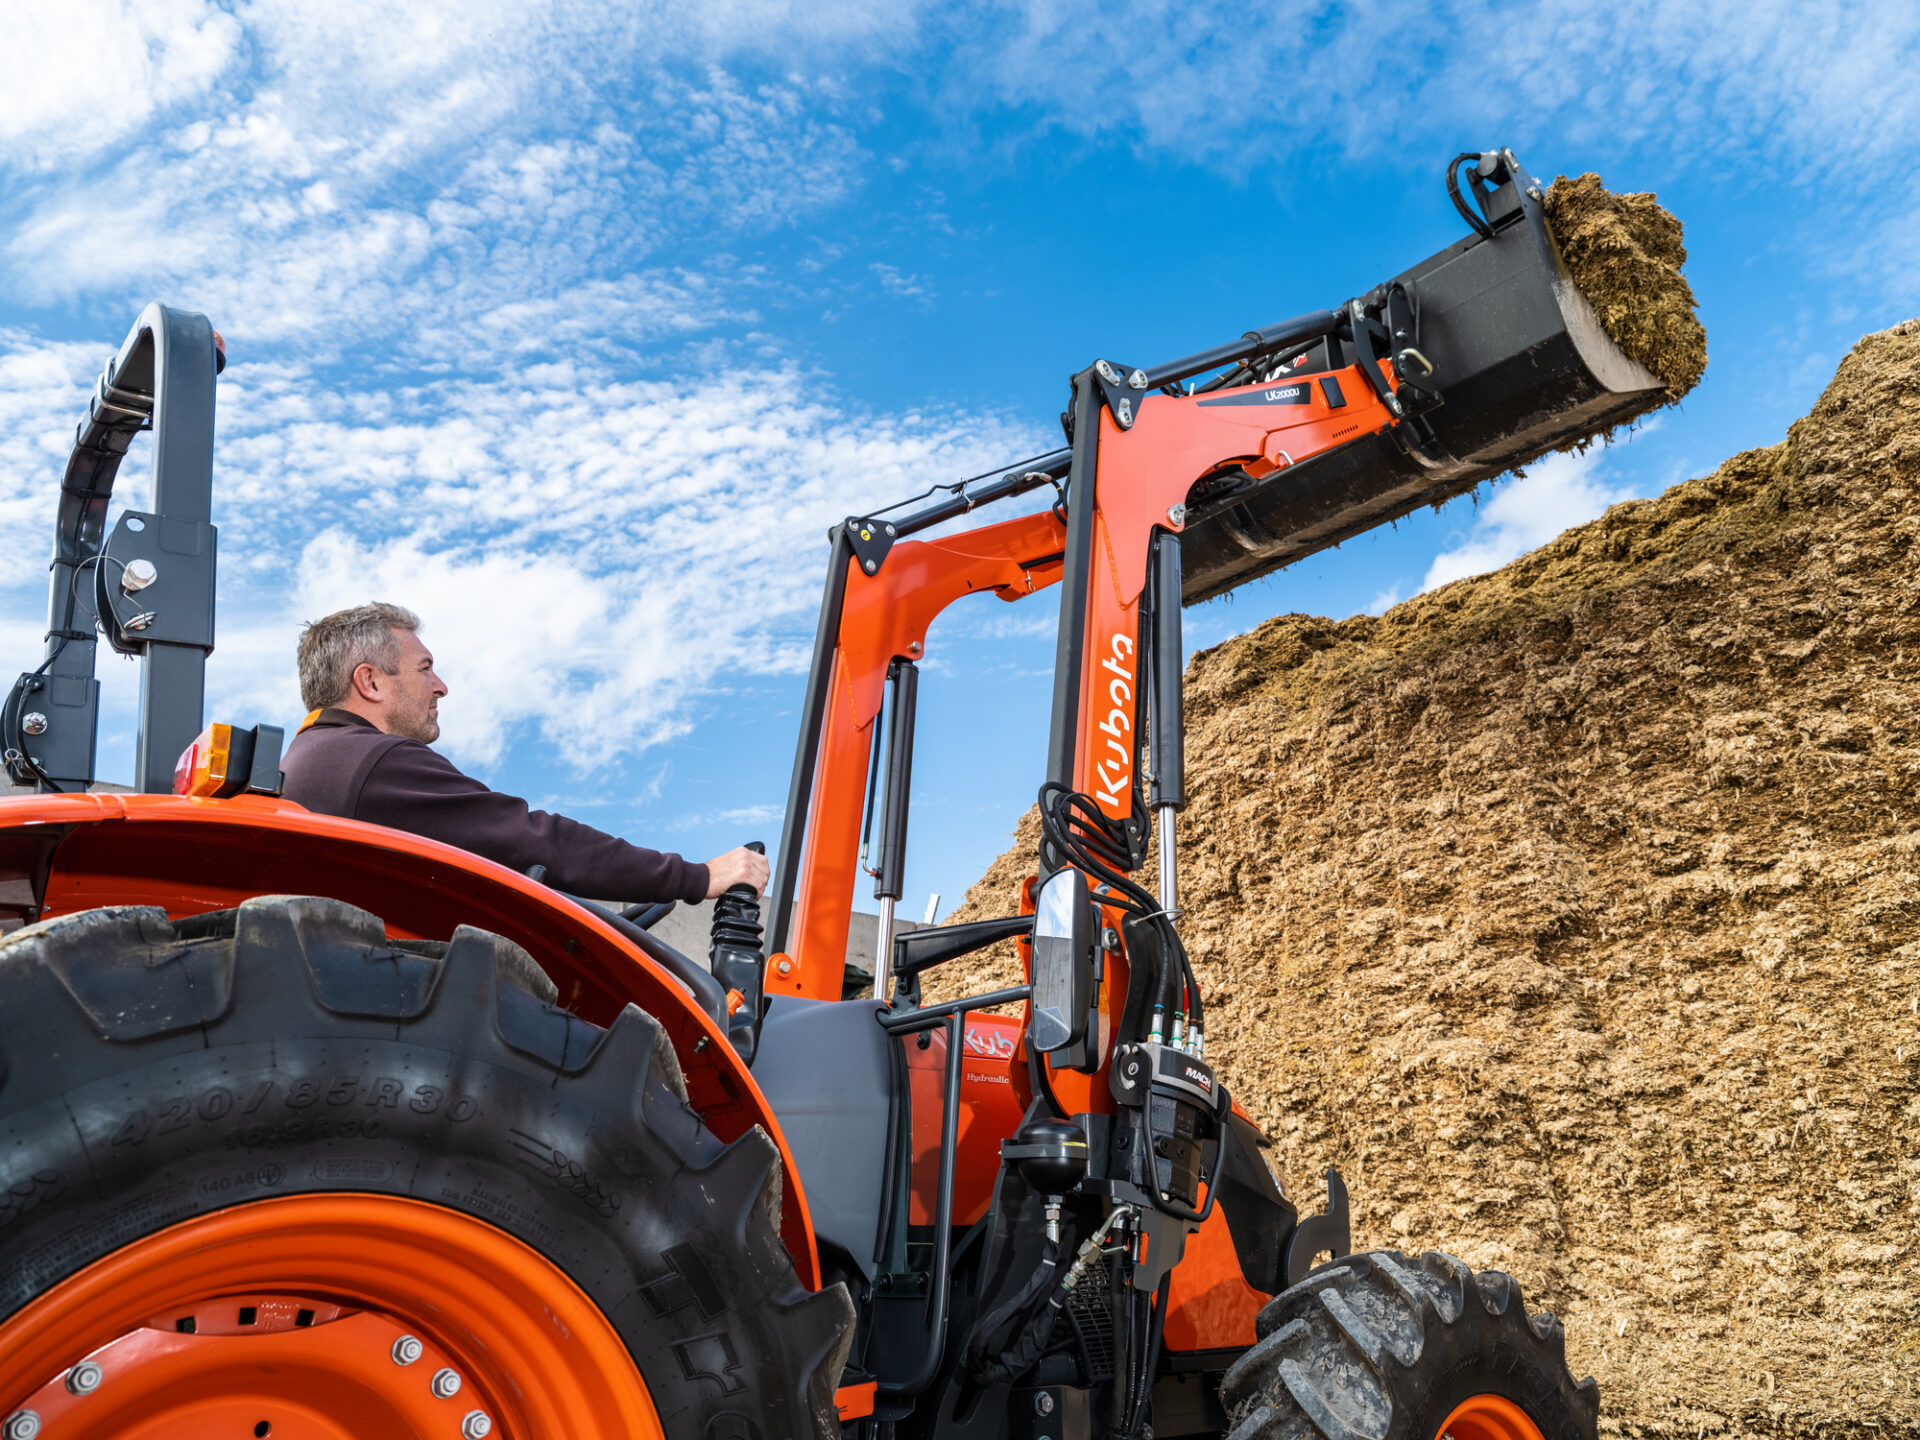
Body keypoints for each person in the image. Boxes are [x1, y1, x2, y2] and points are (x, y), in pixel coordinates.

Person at [280, 602, 766, 905]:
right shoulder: (374, 763)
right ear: (369, 682)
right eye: (424, 669)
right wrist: (698, 876)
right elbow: (536, 840)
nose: (441, 686)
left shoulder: (314, 759)